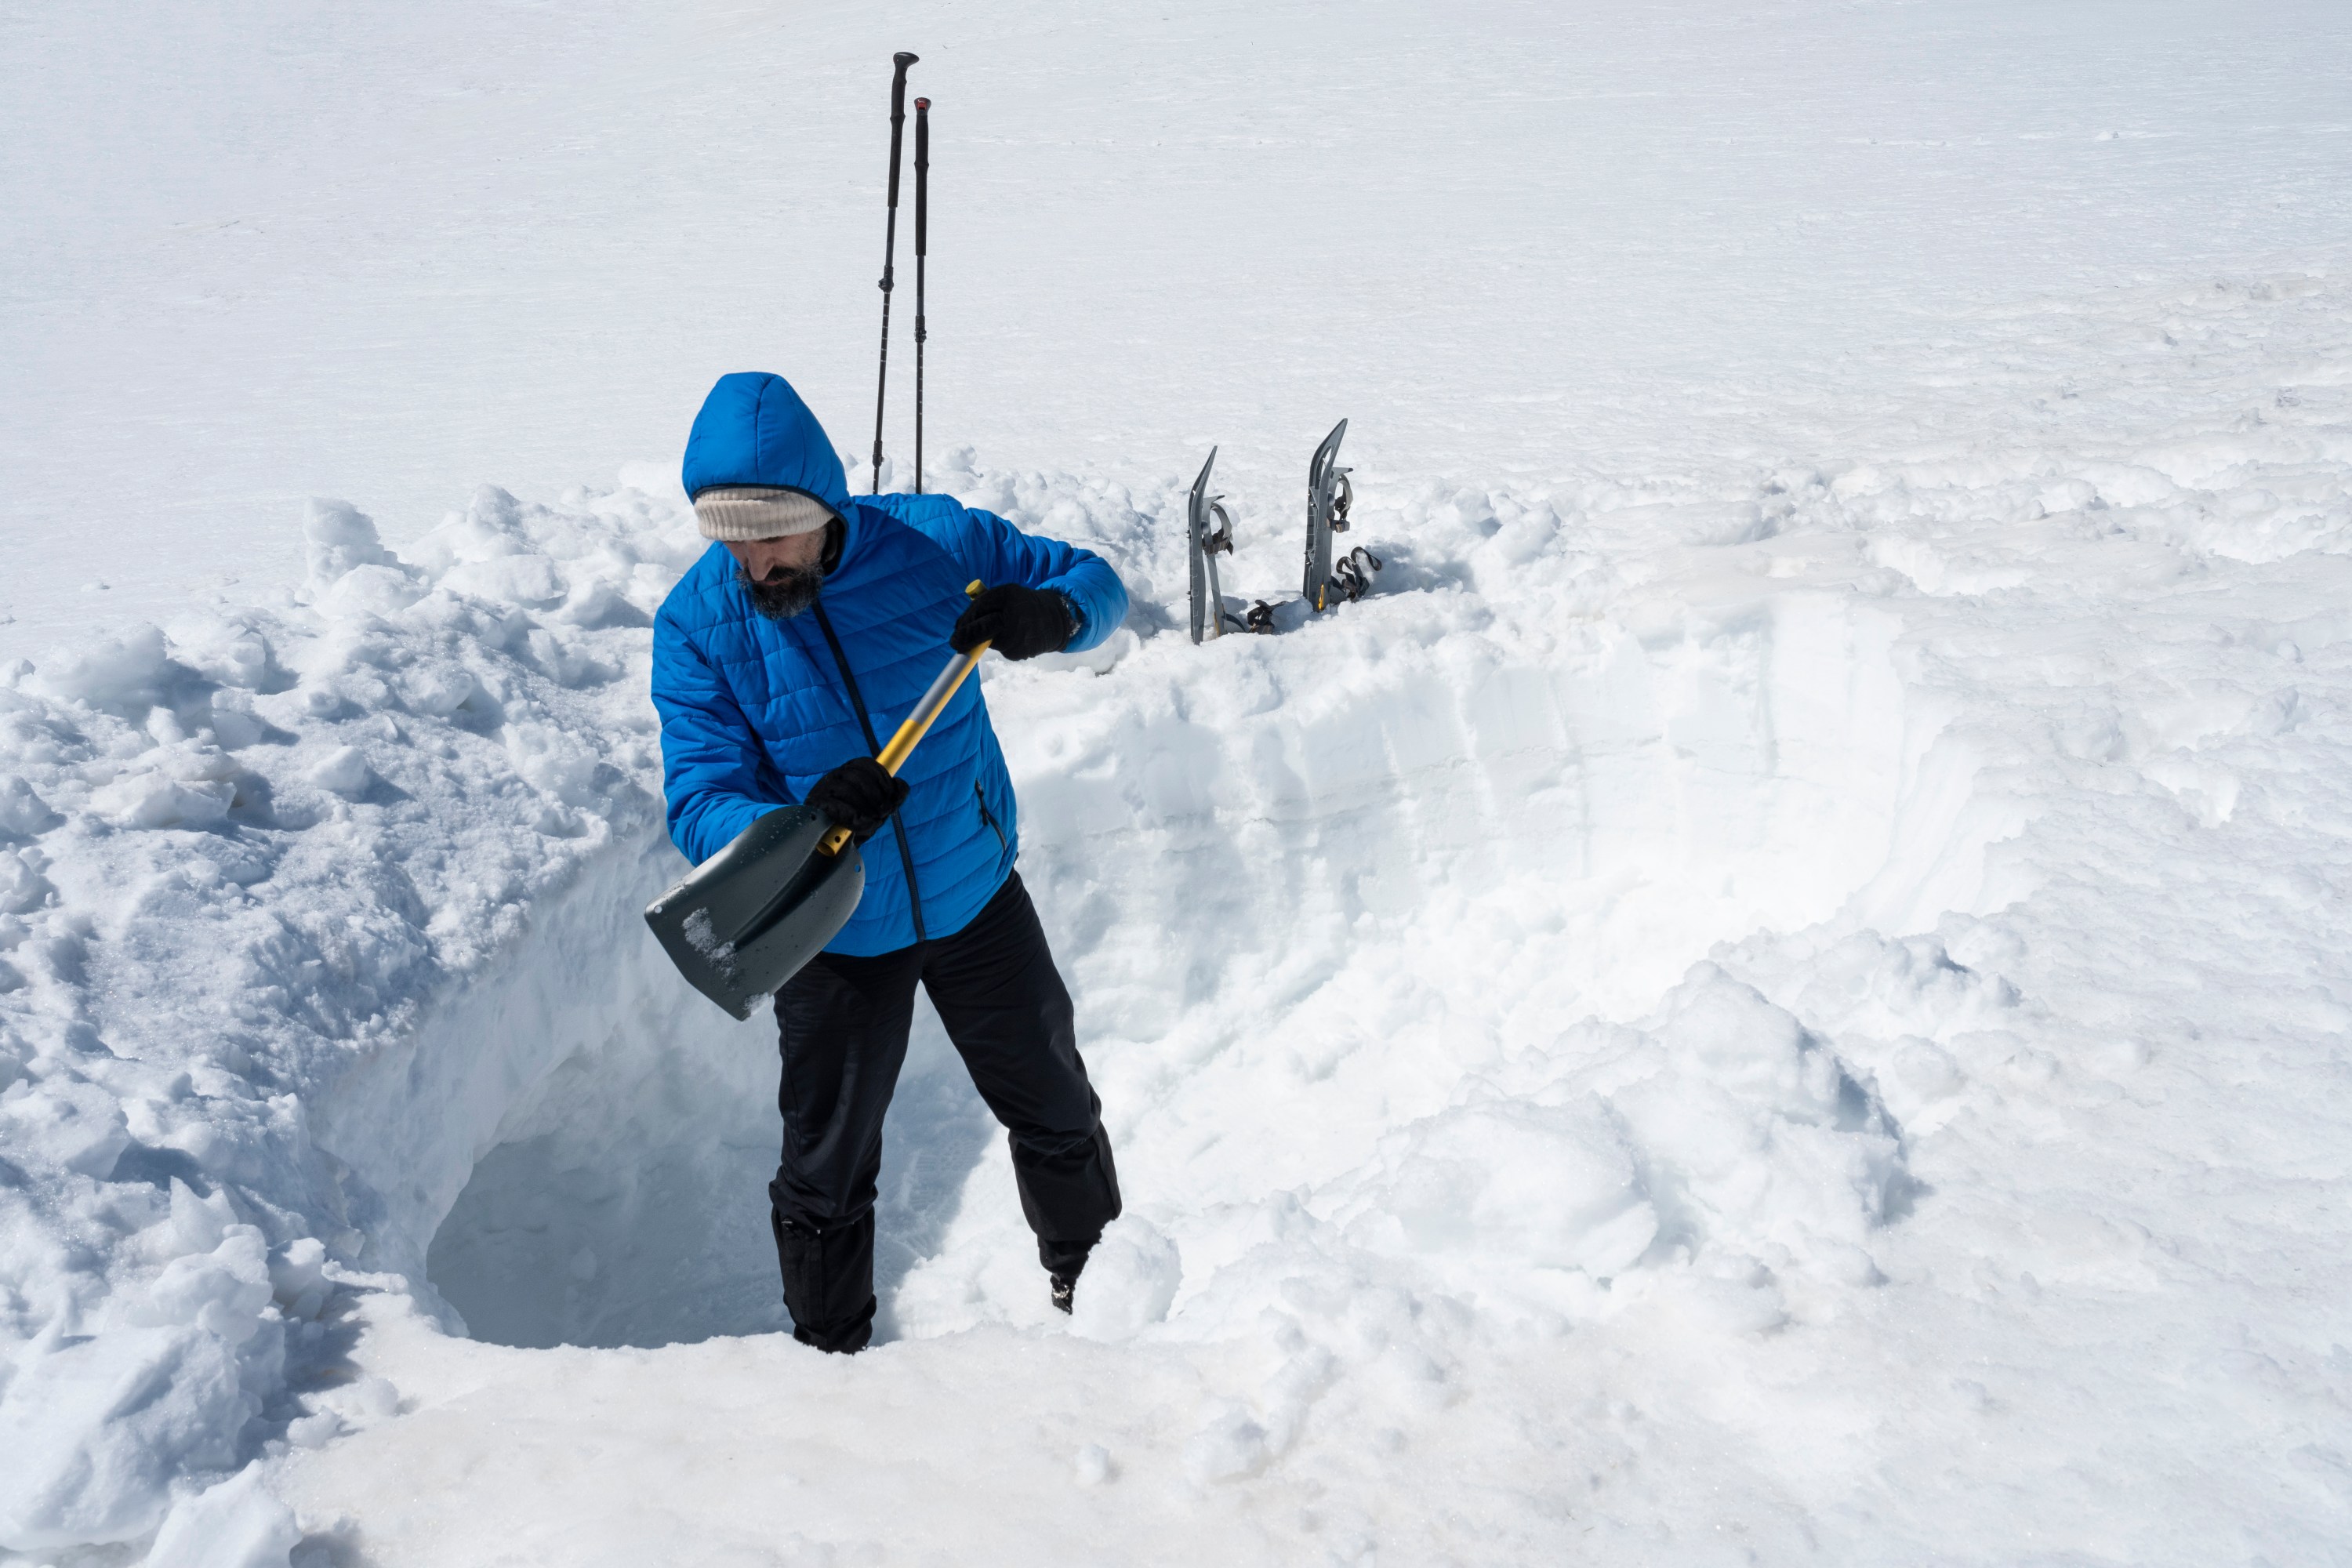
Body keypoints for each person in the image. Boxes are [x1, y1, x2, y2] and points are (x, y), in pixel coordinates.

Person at [650, 371, 1126, 1353]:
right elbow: (699, 797)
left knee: (1055, 1103)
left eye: (775, 533)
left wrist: (1051, 615)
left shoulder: (934, 541)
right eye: (732, 539)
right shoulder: (696, 625)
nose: (756, 561)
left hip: (973, 887)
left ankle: (1097, 1284)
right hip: (833, 925)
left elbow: (1098, 581)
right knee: (826, 1165)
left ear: (825, 505)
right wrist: (798, 819)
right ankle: (834, 1358)